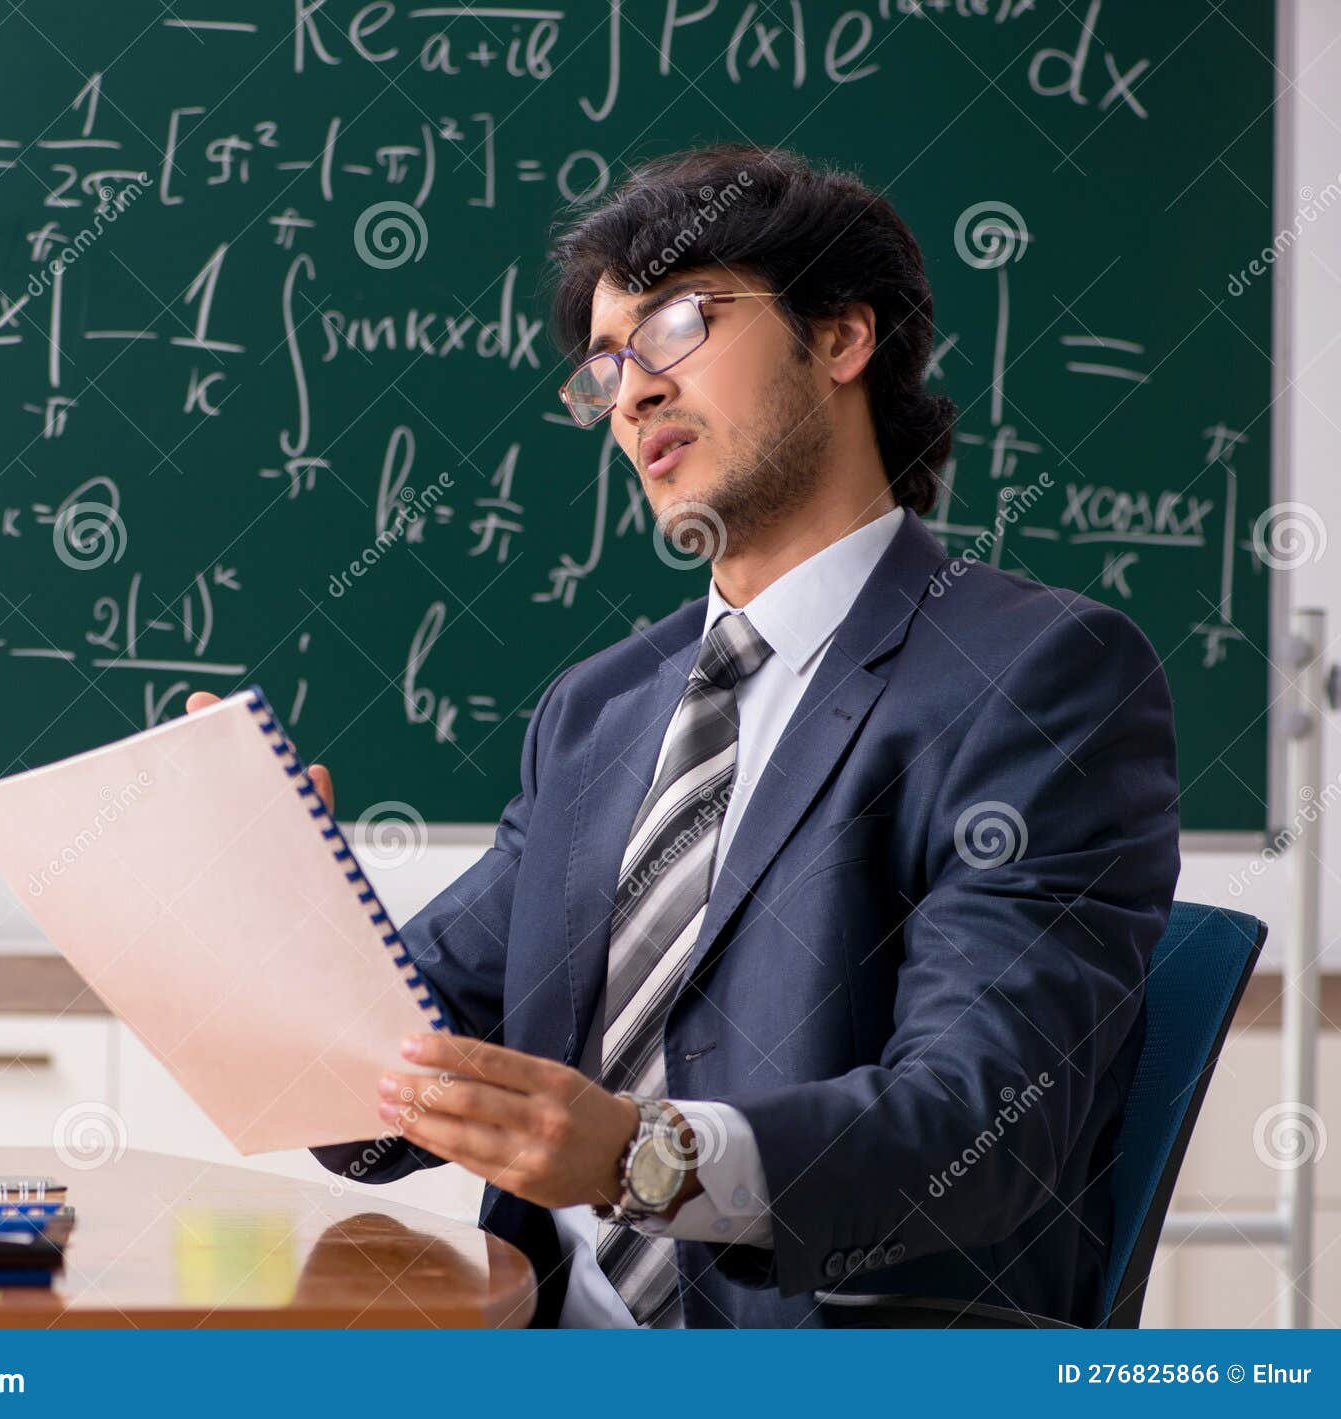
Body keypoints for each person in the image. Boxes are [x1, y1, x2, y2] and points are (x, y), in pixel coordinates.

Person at [190, 143, 1180, 1328]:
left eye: (675, 330)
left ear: (840, 340)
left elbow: (980, 1124)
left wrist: (639, 1159)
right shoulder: (599, 708)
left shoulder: (1037, 676)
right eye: (605, 366)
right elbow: (383, 1112)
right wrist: (284, 915)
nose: (632, 392)